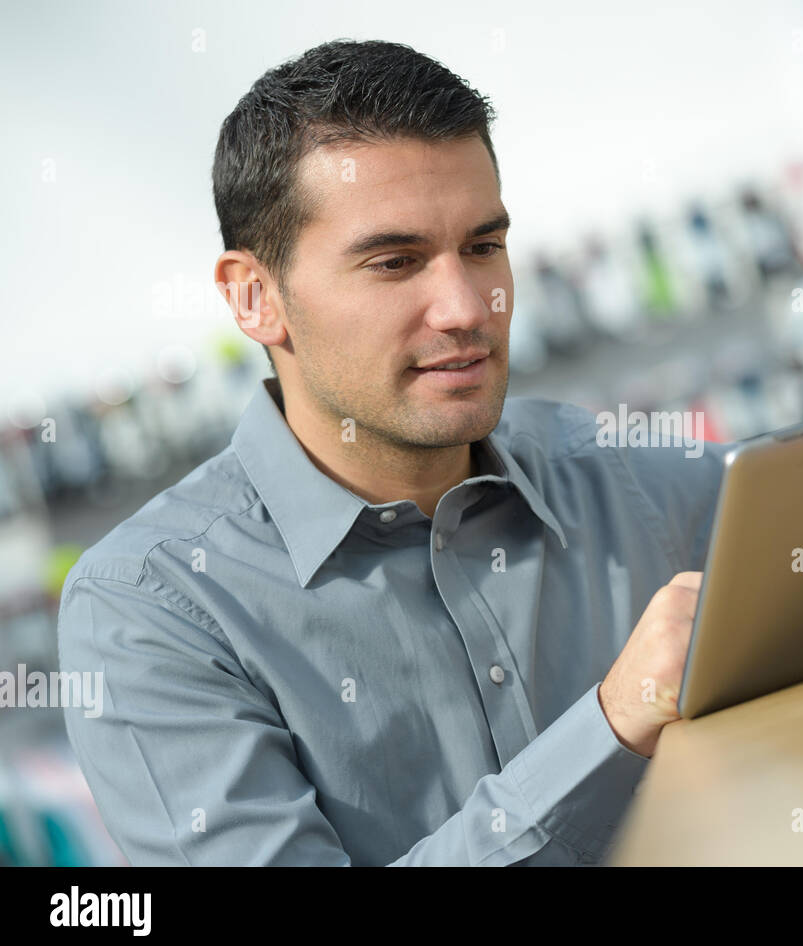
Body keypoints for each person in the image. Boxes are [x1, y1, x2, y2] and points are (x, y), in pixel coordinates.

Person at [56, 39, 730, 866]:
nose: (463, 307)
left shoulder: (615, 466)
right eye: (394, 262)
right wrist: (610, 727)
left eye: (483, 247)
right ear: (255, 297)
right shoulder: (151, 609)